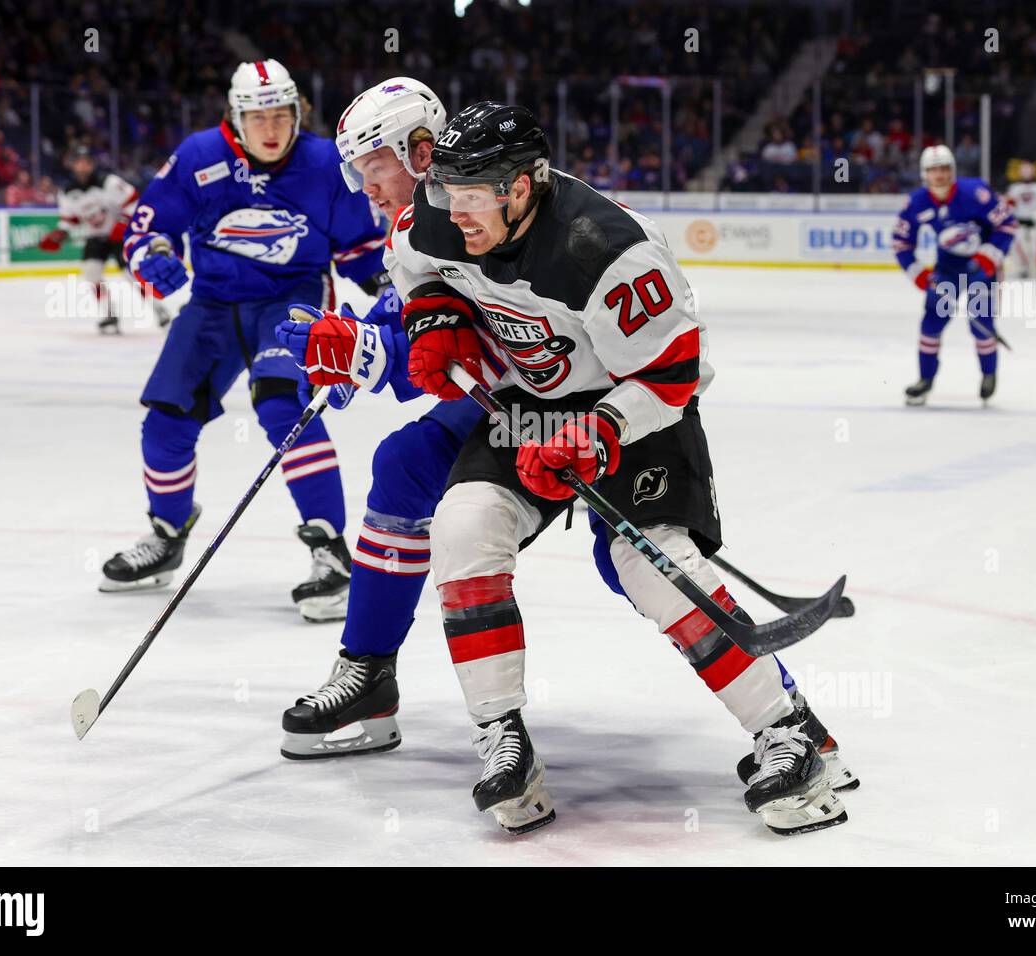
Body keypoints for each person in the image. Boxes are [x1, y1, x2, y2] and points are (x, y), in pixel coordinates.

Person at [281, 102, 858, 836]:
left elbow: (676, 373)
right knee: (463, 525)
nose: (453, 213)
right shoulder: (434, 212)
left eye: (471, 199)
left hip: (631, 411)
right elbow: (424, 276)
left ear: (521, 188)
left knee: (647, 561)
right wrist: (436, 323)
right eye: (447, 194)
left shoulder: (607, 251)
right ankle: (502, 736)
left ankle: (788, 732)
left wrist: (600, 428)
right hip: (527, 401)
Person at [273, 77, 625, 760]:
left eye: (371, 168)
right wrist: (351, 353)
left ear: (419, 151)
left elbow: (486, 340)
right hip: (505, 408)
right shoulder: (413, 230)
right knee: (403, 466)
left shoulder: (482, 212)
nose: (363, 188)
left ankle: (781, 712)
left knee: (639, 558)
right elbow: (418, 327)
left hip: (588, 409)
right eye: (354, 172)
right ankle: (369, 674)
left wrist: (377, 356)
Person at [98, 59, 389, 623]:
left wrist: (390, 288)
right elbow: (146, 228)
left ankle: (330, 552)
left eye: (282, 114)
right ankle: (167, 532)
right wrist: (152, 256)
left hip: (291, 296)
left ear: (297, 111)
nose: (272, 128)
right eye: (259, 117)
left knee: (283, 406)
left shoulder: (327, 161)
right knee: (165, 420)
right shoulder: (199, 155)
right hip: (212, 305)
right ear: (236, 116)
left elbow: (358, 247)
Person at [892, 144, 1017, 406]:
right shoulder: (917, 202)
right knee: (931, 324)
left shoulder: (976, 193)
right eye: (933, 170)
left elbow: (1006, 224)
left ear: (953, 170)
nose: (939, 175)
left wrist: (987, 258)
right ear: (924, 174)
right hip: (946, 270)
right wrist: (919, 276)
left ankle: (988, 374)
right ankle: (925, 379)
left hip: (980, 268)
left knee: (981, 323)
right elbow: (901, 242)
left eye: (944, 169)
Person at [39, 146, 148, 334]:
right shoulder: (67, 191)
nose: (82, 166)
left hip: (119, 236)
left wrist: (123, 225)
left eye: (86, 162)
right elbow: (70, 219)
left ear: (92, 164)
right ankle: (108, 314)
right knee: (91, 273)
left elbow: (134, 202)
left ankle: (159, 309)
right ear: (73, 165)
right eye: (78, 162)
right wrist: (59, 234)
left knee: (133, 276)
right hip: (96, 238)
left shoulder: (109, 182)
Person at [1005, 160, 1036, 279]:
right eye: (1024, 171)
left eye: (1029, 170)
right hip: (1020, 223)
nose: (1026, 173)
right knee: (1017, 244)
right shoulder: (1014, 188)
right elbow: (1009, 207)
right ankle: (1022, 269)